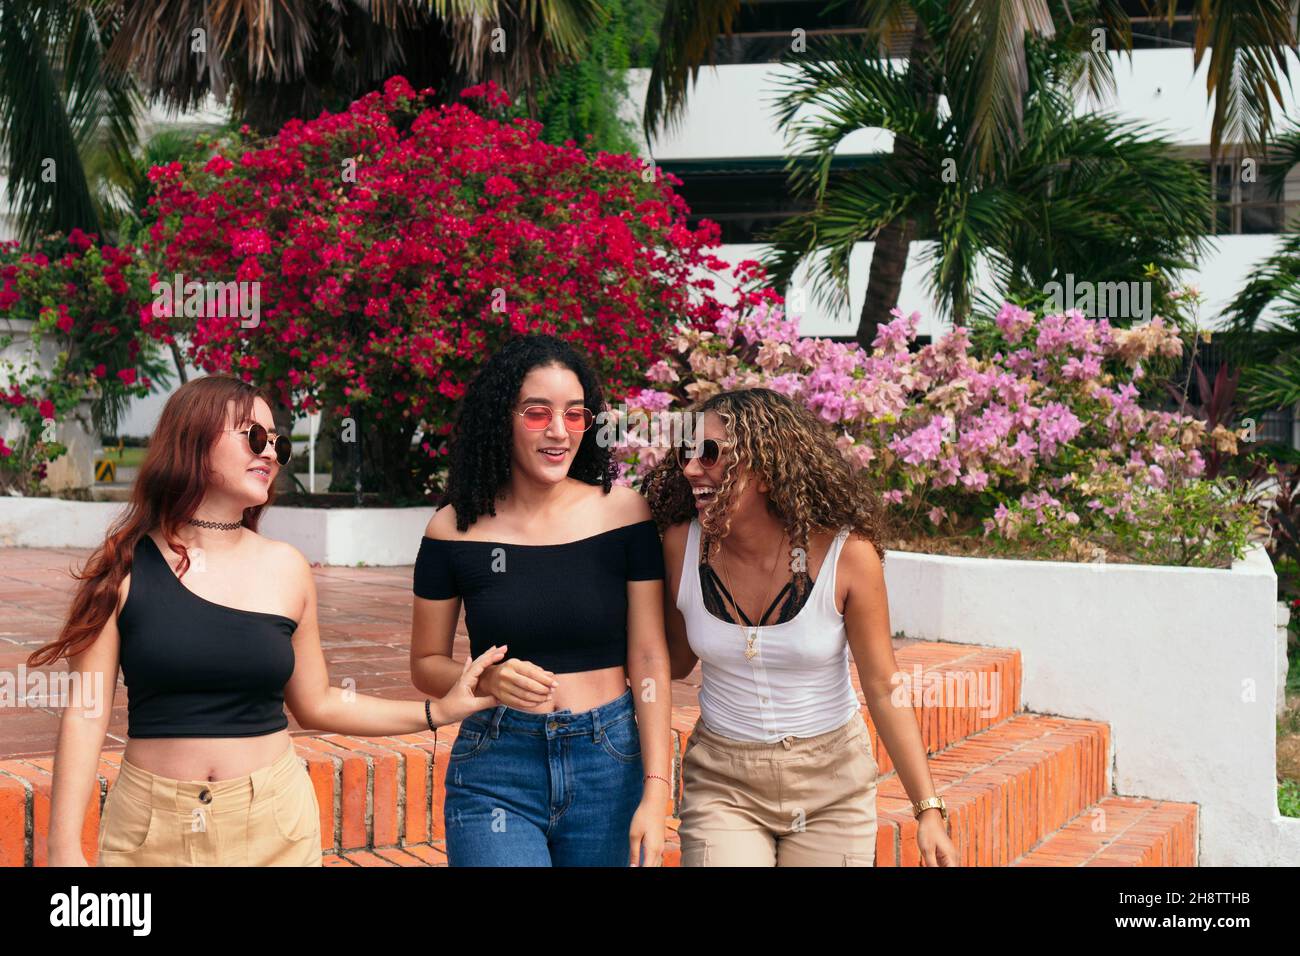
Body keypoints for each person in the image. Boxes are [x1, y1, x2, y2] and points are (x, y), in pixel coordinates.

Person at [32, 375, 503, 867]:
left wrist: (436, 712)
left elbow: (318, 702)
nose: (271, 454)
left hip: (274, 824)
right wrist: (64, 848)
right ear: (192, 439)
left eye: (277, 443)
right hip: (151, 830)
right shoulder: (123, 567)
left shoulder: (287, 567)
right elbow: (87, 714)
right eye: (254, 437)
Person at [643, 386, 959, 867]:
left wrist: (928, 809)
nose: (691, 468)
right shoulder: (679, 546)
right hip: (724, 782)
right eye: (687, 452)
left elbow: (881, 684)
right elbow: (676, 660)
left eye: (710, 454)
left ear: (767, 472)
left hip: (831, 783)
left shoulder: (847, 556)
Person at [411, 334, 672, 866]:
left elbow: (648, 658)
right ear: (500, 418)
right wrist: (486, 679)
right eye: (537, 414)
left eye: (575, 415)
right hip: (496, 763)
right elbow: (425, 664)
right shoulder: (452, 529)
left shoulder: (625, 515)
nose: (558, 431)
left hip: (609, 760)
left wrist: (657, 786)